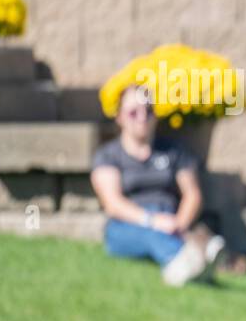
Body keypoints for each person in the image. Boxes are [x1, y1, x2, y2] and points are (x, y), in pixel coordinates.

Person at [90, 85, 225, 287]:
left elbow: (192, 195)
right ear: (119, 117)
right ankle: (183, 260)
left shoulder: (173, 151)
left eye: (148, 111)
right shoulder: (108, 155)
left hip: (170, 220)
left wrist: (179, 223)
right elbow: (113, 204)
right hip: (125, 226)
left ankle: (192, 262)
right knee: (152, 235)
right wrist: (152, 220)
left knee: (163, 233)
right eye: (133, 112)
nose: (142, 117)